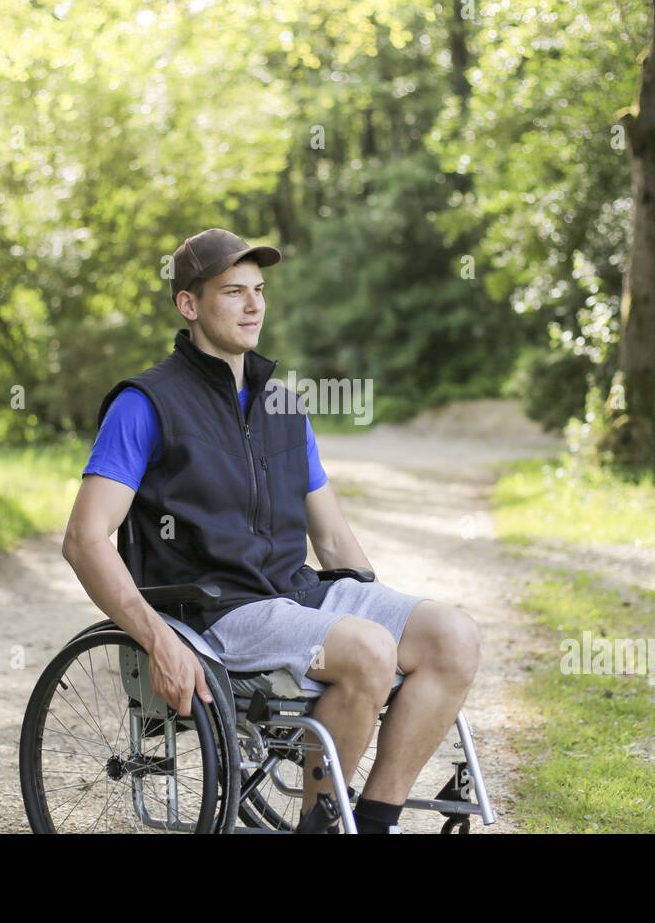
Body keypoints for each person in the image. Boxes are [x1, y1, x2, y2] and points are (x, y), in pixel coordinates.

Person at [61, 227, 481, 834]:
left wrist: (374, 608)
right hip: (215, 610)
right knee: (366, 651)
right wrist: (158, 640)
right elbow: (85, 539)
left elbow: (334, 541)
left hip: (293, 594)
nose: (254, 305)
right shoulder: (146, 404)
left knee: (453, 637)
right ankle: (320, 827)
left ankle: (376, 818)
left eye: (259, 290)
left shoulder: (283, 405)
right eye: (233, 291)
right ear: (189, 304)